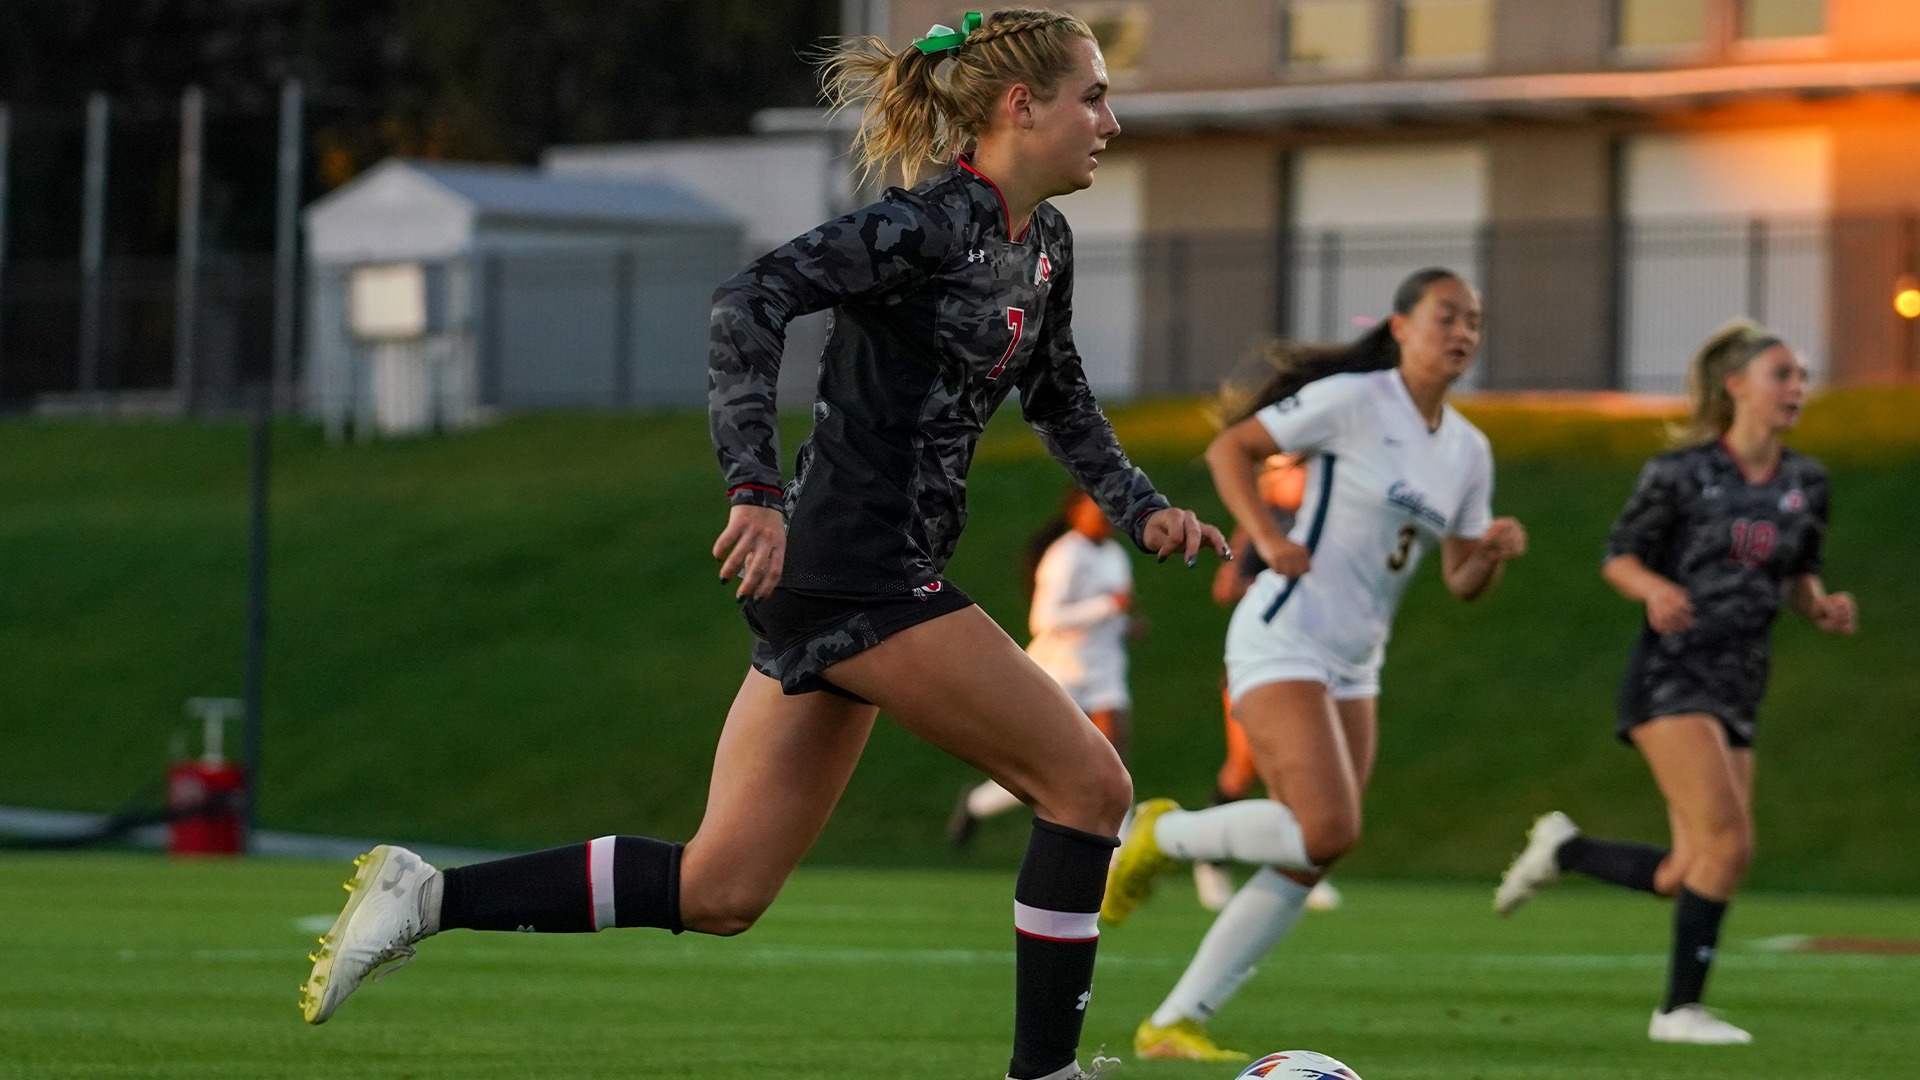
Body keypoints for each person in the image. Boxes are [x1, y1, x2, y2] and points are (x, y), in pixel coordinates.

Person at [296, 11, 1228, 1080]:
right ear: (1022, 107)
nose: (1111, 118)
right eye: (1094, 95)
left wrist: (1141, 506)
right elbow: (750, 299)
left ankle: (428, 897)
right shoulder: (923, 228)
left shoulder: (1042, 247)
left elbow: (1059, 398)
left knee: (720, 891)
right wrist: (753, 486)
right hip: (858, 571)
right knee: (1092, 790)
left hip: (848, 582)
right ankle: (1044, 1076)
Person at [1098, 267, 1528, 1062]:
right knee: (1328, 824)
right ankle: (1166, 834)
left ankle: (1173, 1023)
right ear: (1401, 327)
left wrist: (1493, 552)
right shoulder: (1359, 400)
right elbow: (1233, 447)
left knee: (1319, 845)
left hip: (1357, 659)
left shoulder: (1470, 450)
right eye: (1446, 317)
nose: (1462, 332)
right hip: (1284, 633)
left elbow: (1462, 581)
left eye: (1473, 320)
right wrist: (1264, 535)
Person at [1493, 321, 1855, 1046]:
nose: (1796, 389)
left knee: (1693, 867)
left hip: (1743, 680)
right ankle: (1678, 1013)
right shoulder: (1681, 473)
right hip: (1673, 672)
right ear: (1737, 386)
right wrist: (1653, 590)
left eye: (1801, 376)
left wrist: (1819, 604)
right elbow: (1619, 555)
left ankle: (1567, 851)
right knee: (1730, 847)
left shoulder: (1806, 480)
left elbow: (1795, 571)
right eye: (1782, 374)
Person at [950, 487, 1136, 847]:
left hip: (1105, 669)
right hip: (1061, 671)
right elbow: (1044, 619)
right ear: (1076, 512)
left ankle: (1117, 860)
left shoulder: (1115, 555)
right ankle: (978, 803)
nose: (1108, 516)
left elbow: (1117, 608)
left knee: (1115, 762)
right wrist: (1105, 606)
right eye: (1099, 509)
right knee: (1045, 770)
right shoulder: (1064, 556)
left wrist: (1126, 623)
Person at [1193, 458, 1339, 914]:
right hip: (1257, 663)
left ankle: (1298, 868)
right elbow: (1226, 587)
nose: (1305, 478)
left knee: (1298, 770)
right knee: (1244, 768)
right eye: (1296, 471)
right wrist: (1277, 577)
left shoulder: (1318, 520)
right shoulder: (1262, 524)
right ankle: (1207, 859)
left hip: (1306, 662)